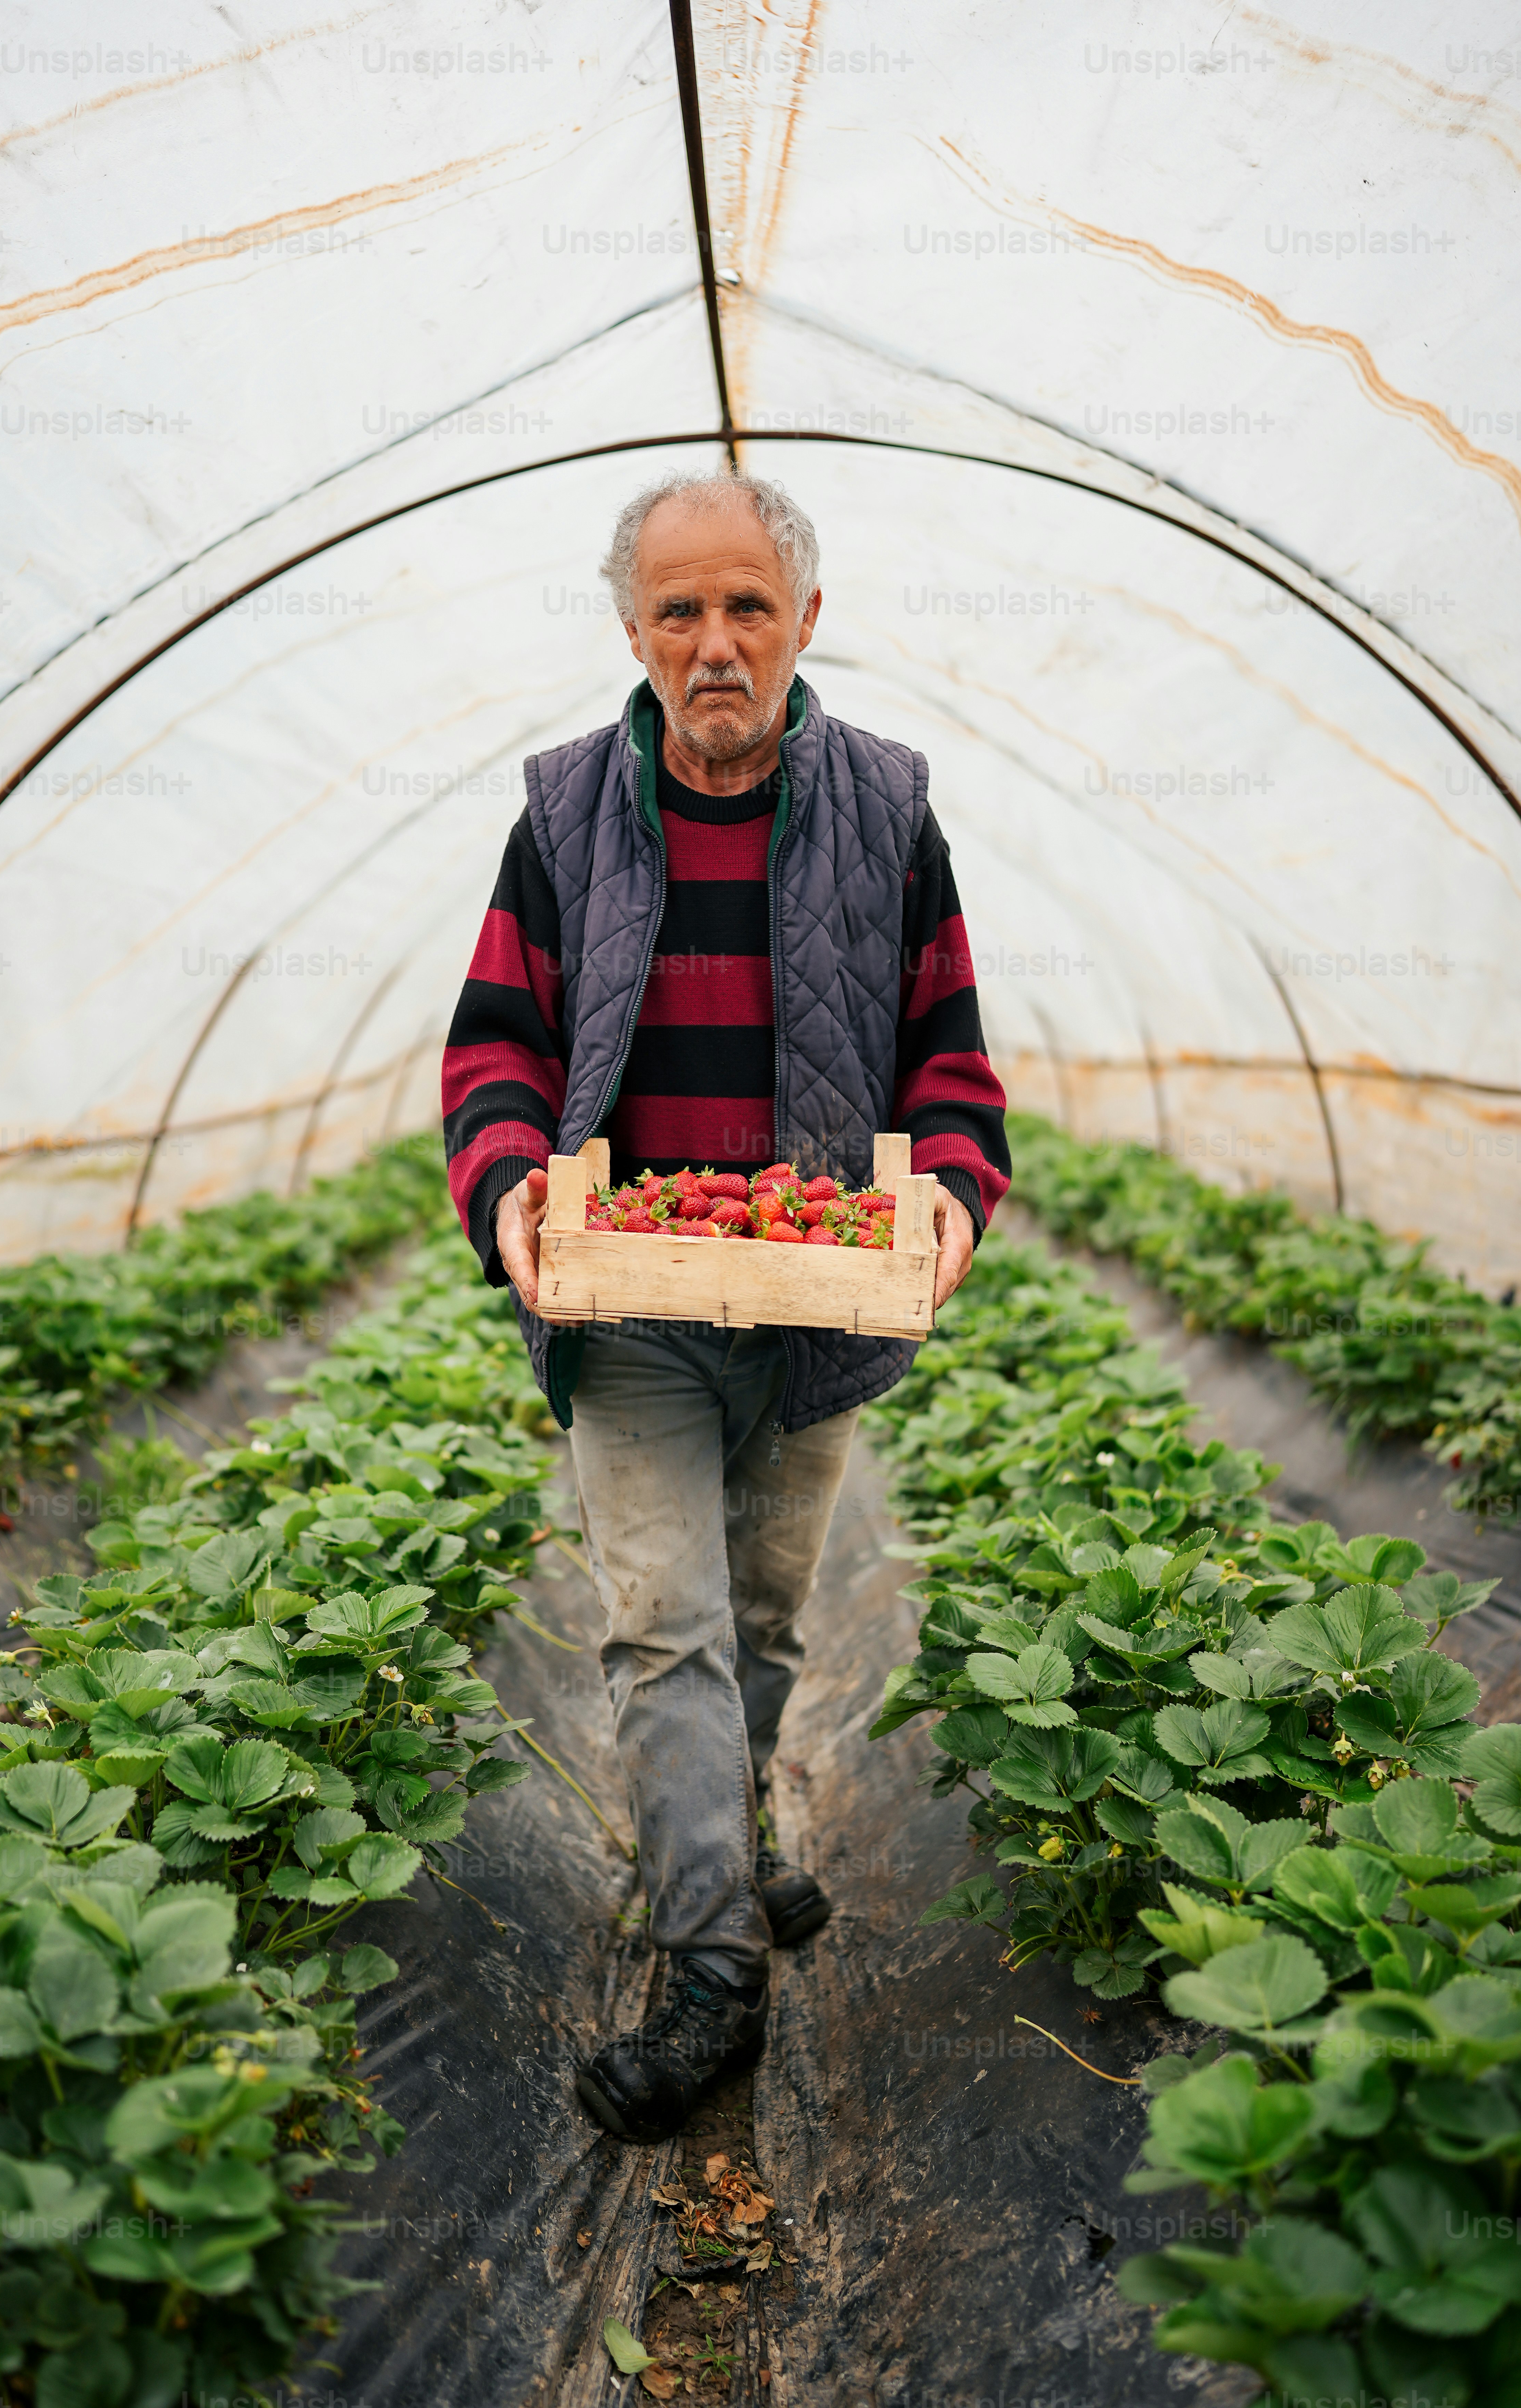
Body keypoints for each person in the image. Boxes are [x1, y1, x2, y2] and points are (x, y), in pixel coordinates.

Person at [441, 470, 1010, 2141]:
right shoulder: (560, 816)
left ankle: (733, 1832)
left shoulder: (889, 809)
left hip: (819, 1295)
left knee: (763, 1623)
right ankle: (708, 1972)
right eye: (678, 610)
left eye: (745, 606)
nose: (713, 642)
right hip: (633, 1297)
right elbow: (495, 1052)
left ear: (804, 621)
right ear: (632, 629)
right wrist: (513, 1186)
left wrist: (949, 1202)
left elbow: (952, 1064)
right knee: (661, 1627)